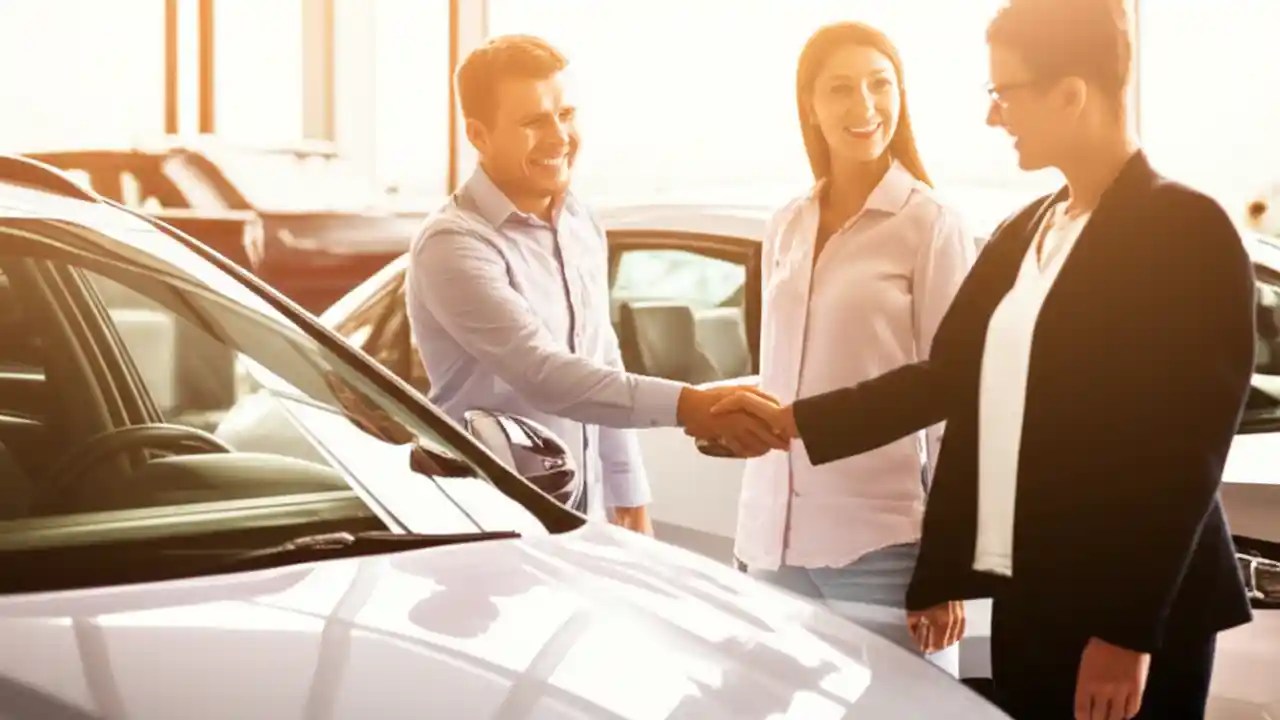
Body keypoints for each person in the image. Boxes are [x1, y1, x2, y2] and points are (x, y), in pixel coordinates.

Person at [713, 1, 1256, 717]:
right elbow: (944, 380)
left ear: (1072, 93)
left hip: (1130, 616)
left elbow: (1184, 454)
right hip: (1033, 594)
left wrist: (1126, 632)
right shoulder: (1028, 227)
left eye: (1005, 93)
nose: (995, 117)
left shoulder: (1186, 229)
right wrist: (789, 423)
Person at [406, 35, 785, 533]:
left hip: (582, 515)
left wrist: (627, 494)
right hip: (488, 517)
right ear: (478, 134)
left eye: (565, 114)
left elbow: (601, 357)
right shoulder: (453, 245)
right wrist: (693, 406)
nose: (559, 137)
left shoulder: (580, 221)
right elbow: (545, 374)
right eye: (533, 121)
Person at [731, 21, 976, 674]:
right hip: (773, 540)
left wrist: (947, 562)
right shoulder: (786, 222)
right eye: (840, 88)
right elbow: (779, 377)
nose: (864, 106)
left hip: (882, 547)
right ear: (809, 104)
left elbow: (956, 399)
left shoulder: (931, 223)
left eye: (880, 84)